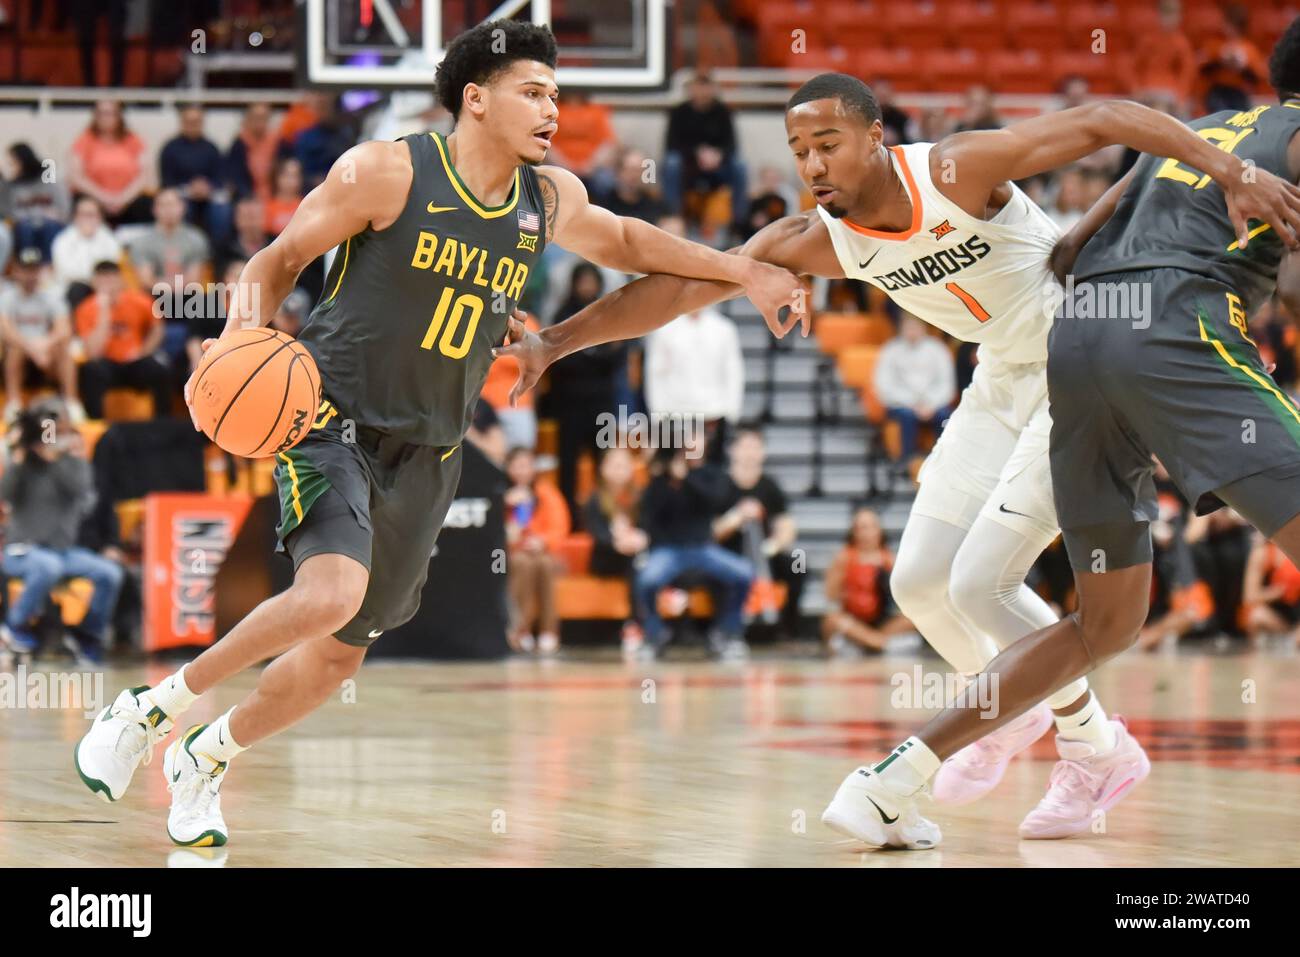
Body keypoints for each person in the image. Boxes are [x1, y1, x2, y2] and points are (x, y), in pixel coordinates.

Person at [498, 70, 1300, 843]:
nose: (813, 164)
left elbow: (1102, 120)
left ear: (876, 138)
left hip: (1076, 362)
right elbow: (678, 286)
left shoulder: (954, 170)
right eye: (799, 149)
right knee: (917, 580)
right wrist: (556, 342)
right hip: (998, 376)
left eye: (829, 143)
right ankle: (1086, 741)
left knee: (981, 582)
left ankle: (1070, 744)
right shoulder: (818, 239)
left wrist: (1230, 169)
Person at [72, 19, 801, 848]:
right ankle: (149, 709)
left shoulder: (547, 197)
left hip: (435, 446)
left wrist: (742, 269)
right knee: (331, 592)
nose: (552, 108)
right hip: (330, 417)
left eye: (557, 94)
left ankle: (207, 753)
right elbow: (274, 261)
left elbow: (634, 244)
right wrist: (243, 332)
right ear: (476, 99)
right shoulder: (385, 171)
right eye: (534, 91)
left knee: (344, 652)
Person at [812, 21, 1300, 850]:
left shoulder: (1206, 133)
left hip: (1075, 342)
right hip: (1175, 331)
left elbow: (1073, 245)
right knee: (1001, 593)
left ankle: (888, 782)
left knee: (1100, 626)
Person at [0, 407, 122, 663]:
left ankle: (87, 634)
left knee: (110, 573)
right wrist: (20, 456)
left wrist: (54, 458)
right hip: (21, 550)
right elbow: (6, 495)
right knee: (48, 565)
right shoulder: (23, 465)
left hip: (62, 552)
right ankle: (13, 626)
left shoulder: (74, 464)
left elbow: (79, 492)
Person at [635, 441, 754, 661]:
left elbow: (713, 500)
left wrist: (686, 477)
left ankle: (728, 632)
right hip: (669, 550)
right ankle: (654, 633)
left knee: (744, 573)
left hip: (702, 547)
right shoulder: (661, 478)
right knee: (647, 579)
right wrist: (665, 477)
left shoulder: (710, 474)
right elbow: (651, 515)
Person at [711, 428, 802, 638]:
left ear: (763, 452)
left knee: (799, 565)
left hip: (763, 553)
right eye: (745, 446)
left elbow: (786, 524)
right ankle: (725, 629)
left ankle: (787, 629)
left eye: (755, 447)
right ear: (732, 451)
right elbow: (711, 531)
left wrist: (774, 545)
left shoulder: (769, 486)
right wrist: (736, 517)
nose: (750, 453)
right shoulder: (719, 485)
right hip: (728, 552)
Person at [73, 261, 170, 419]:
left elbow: (158, 327)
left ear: (121, 279)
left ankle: (163, 423)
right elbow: (93, 352)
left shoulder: (139, 300)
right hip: (106, 363)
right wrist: (104, 311)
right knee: (90, 371)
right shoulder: (86, 308)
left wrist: (144, 351)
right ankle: (96, 424)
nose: (108, 285)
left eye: (112, 279)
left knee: (159, 370)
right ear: (94, 282)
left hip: (134, 361)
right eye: (103, 280)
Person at [0, 247, 82, 422]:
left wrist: (45, 344)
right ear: (15, 271)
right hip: (18, 352)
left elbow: (64, 328)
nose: (30, 275)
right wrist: (31, 348)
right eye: (25, 270)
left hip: (46, 352)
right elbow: (5, 330)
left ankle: (71, 402)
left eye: (34, 270)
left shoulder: (52, 294)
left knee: (64, 350)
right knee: (15, 348)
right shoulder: (6, 297)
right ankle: (14, 404)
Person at [503, 446, 570, 654]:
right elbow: (497, 535)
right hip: (512, 555)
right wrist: (506, 509)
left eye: (526, 465)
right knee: (522, 563)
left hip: (545, 553)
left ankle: (549, 631)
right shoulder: (501, 493)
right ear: (508, 468)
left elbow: (560, 527)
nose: (522, 471)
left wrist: (542, 542)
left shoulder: (547, 493)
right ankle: (519, 629)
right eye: (517, 465)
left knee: (545, 563)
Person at [582, 446, 648, 651]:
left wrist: (640, 539)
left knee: (639, 563)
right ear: (603, 469)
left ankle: (638, 624)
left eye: (624, 465)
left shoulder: (639, 497)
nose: (619, 470)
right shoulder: (594, 499)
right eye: (615, 465)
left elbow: (648, 527)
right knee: (634, 561)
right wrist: (617, 542)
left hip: (633, 556)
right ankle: (635, 624)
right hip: (605, 559)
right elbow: (597, 534)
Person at [822, 507, 912, 656]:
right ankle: (876, 642)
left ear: (879, 531)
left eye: (870, 527)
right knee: (832, 620)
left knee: (912, 618)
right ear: (854, 532)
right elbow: (830, 596)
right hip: (854, 620)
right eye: (861, 528)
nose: (866, 533)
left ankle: (871, 641)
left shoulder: (889, 559)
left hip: (882, 621)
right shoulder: (844, 558)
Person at [874, 313, 956, 465]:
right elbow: (884, 385)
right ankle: (906, 462)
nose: (912, 331)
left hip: (933, 404)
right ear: (901, 328)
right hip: (901, 404)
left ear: (923, 328)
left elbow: (947, 384)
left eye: (915, 327)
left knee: (946, 416)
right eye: (908, 327)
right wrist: (912, 404)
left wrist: (930, 404)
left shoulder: (938, 350)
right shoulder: (890, 350)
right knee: (907, 416)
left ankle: (944, 461)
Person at [68, 100, 152, 227]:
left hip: (128, 198)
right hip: (96, 197)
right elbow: (76, 177)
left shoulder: (133, 140)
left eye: (110, 114)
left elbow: (145, 174)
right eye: (101, 114)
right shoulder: (85, 140)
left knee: (148, 204)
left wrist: (123, 199)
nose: (105, 118)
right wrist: (105, 198)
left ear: (119, 116)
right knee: (84, 206)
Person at [159, 104, 228, 242]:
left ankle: (217, 250)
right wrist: (189, 189)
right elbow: (166, 181)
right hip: (182, 195)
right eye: (189, 121)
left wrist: (208, 188)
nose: (192, 125)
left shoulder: (211, 148)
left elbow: (220, 178)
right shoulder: (170, 148)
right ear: (182, 122)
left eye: (196, 121)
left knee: (222, 210)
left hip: (208, 196)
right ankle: (185, 245)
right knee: (181, 208)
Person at [50, 196, 121, 308]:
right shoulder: (63, 240)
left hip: (105, 287)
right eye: (83, 214)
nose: (87, 219)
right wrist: (93, 279)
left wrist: (100, 282)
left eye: (91, 215)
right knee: (77, 289)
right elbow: (65, 272)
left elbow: (112, 267)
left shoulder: (110, 240)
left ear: (100, 217)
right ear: (75, 217)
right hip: (72, 287)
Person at [5, 142, 71, 258]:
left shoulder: (49, 177)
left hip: (51, 223)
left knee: (50, 227)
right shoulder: (12, 186)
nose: (11, 168)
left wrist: (56, 215)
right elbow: (11, 212)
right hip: (25, 224)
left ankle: (48, 265)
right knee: (25, 229)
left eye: (13, 163)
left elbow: (64, 207)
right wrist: (36, 215)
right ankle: (28, 265)